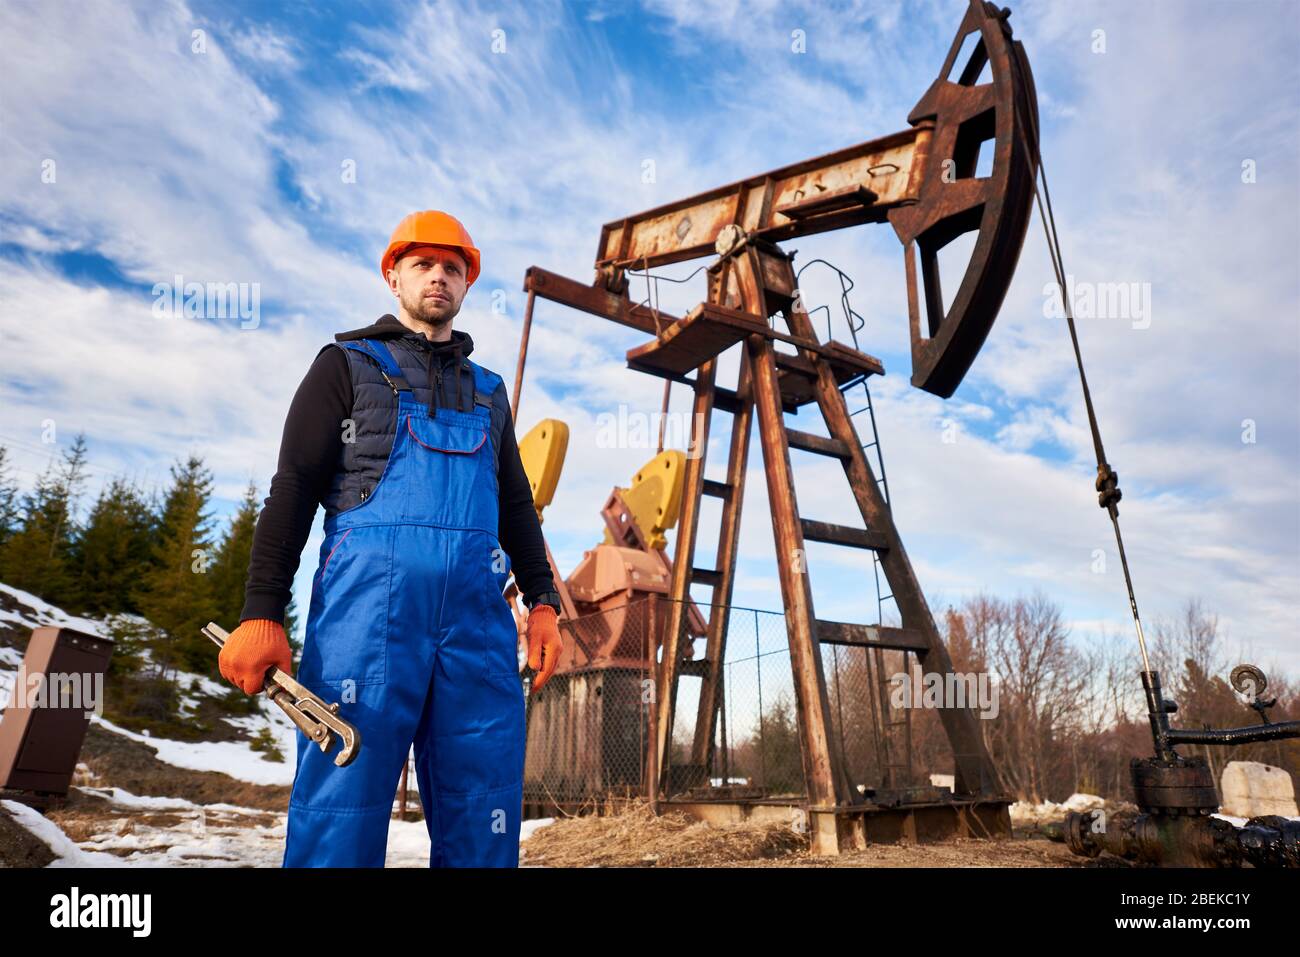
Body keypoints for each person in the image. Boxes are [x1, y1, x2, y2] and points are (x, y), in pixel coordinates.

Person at [217, 209, 563, 868]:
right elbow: (293, 486)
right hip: (365, 622)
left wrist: (543, 600)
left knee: (483, 806)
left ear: (467, 284)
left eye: (453, 268)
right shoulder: (345, 366)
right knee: (341, 806)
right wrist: (261, 610)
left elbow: (516, 507)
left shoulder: (489, 394)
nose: (439, 277)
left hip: (477, 632)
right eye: (424, 264)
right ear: (393, 274)